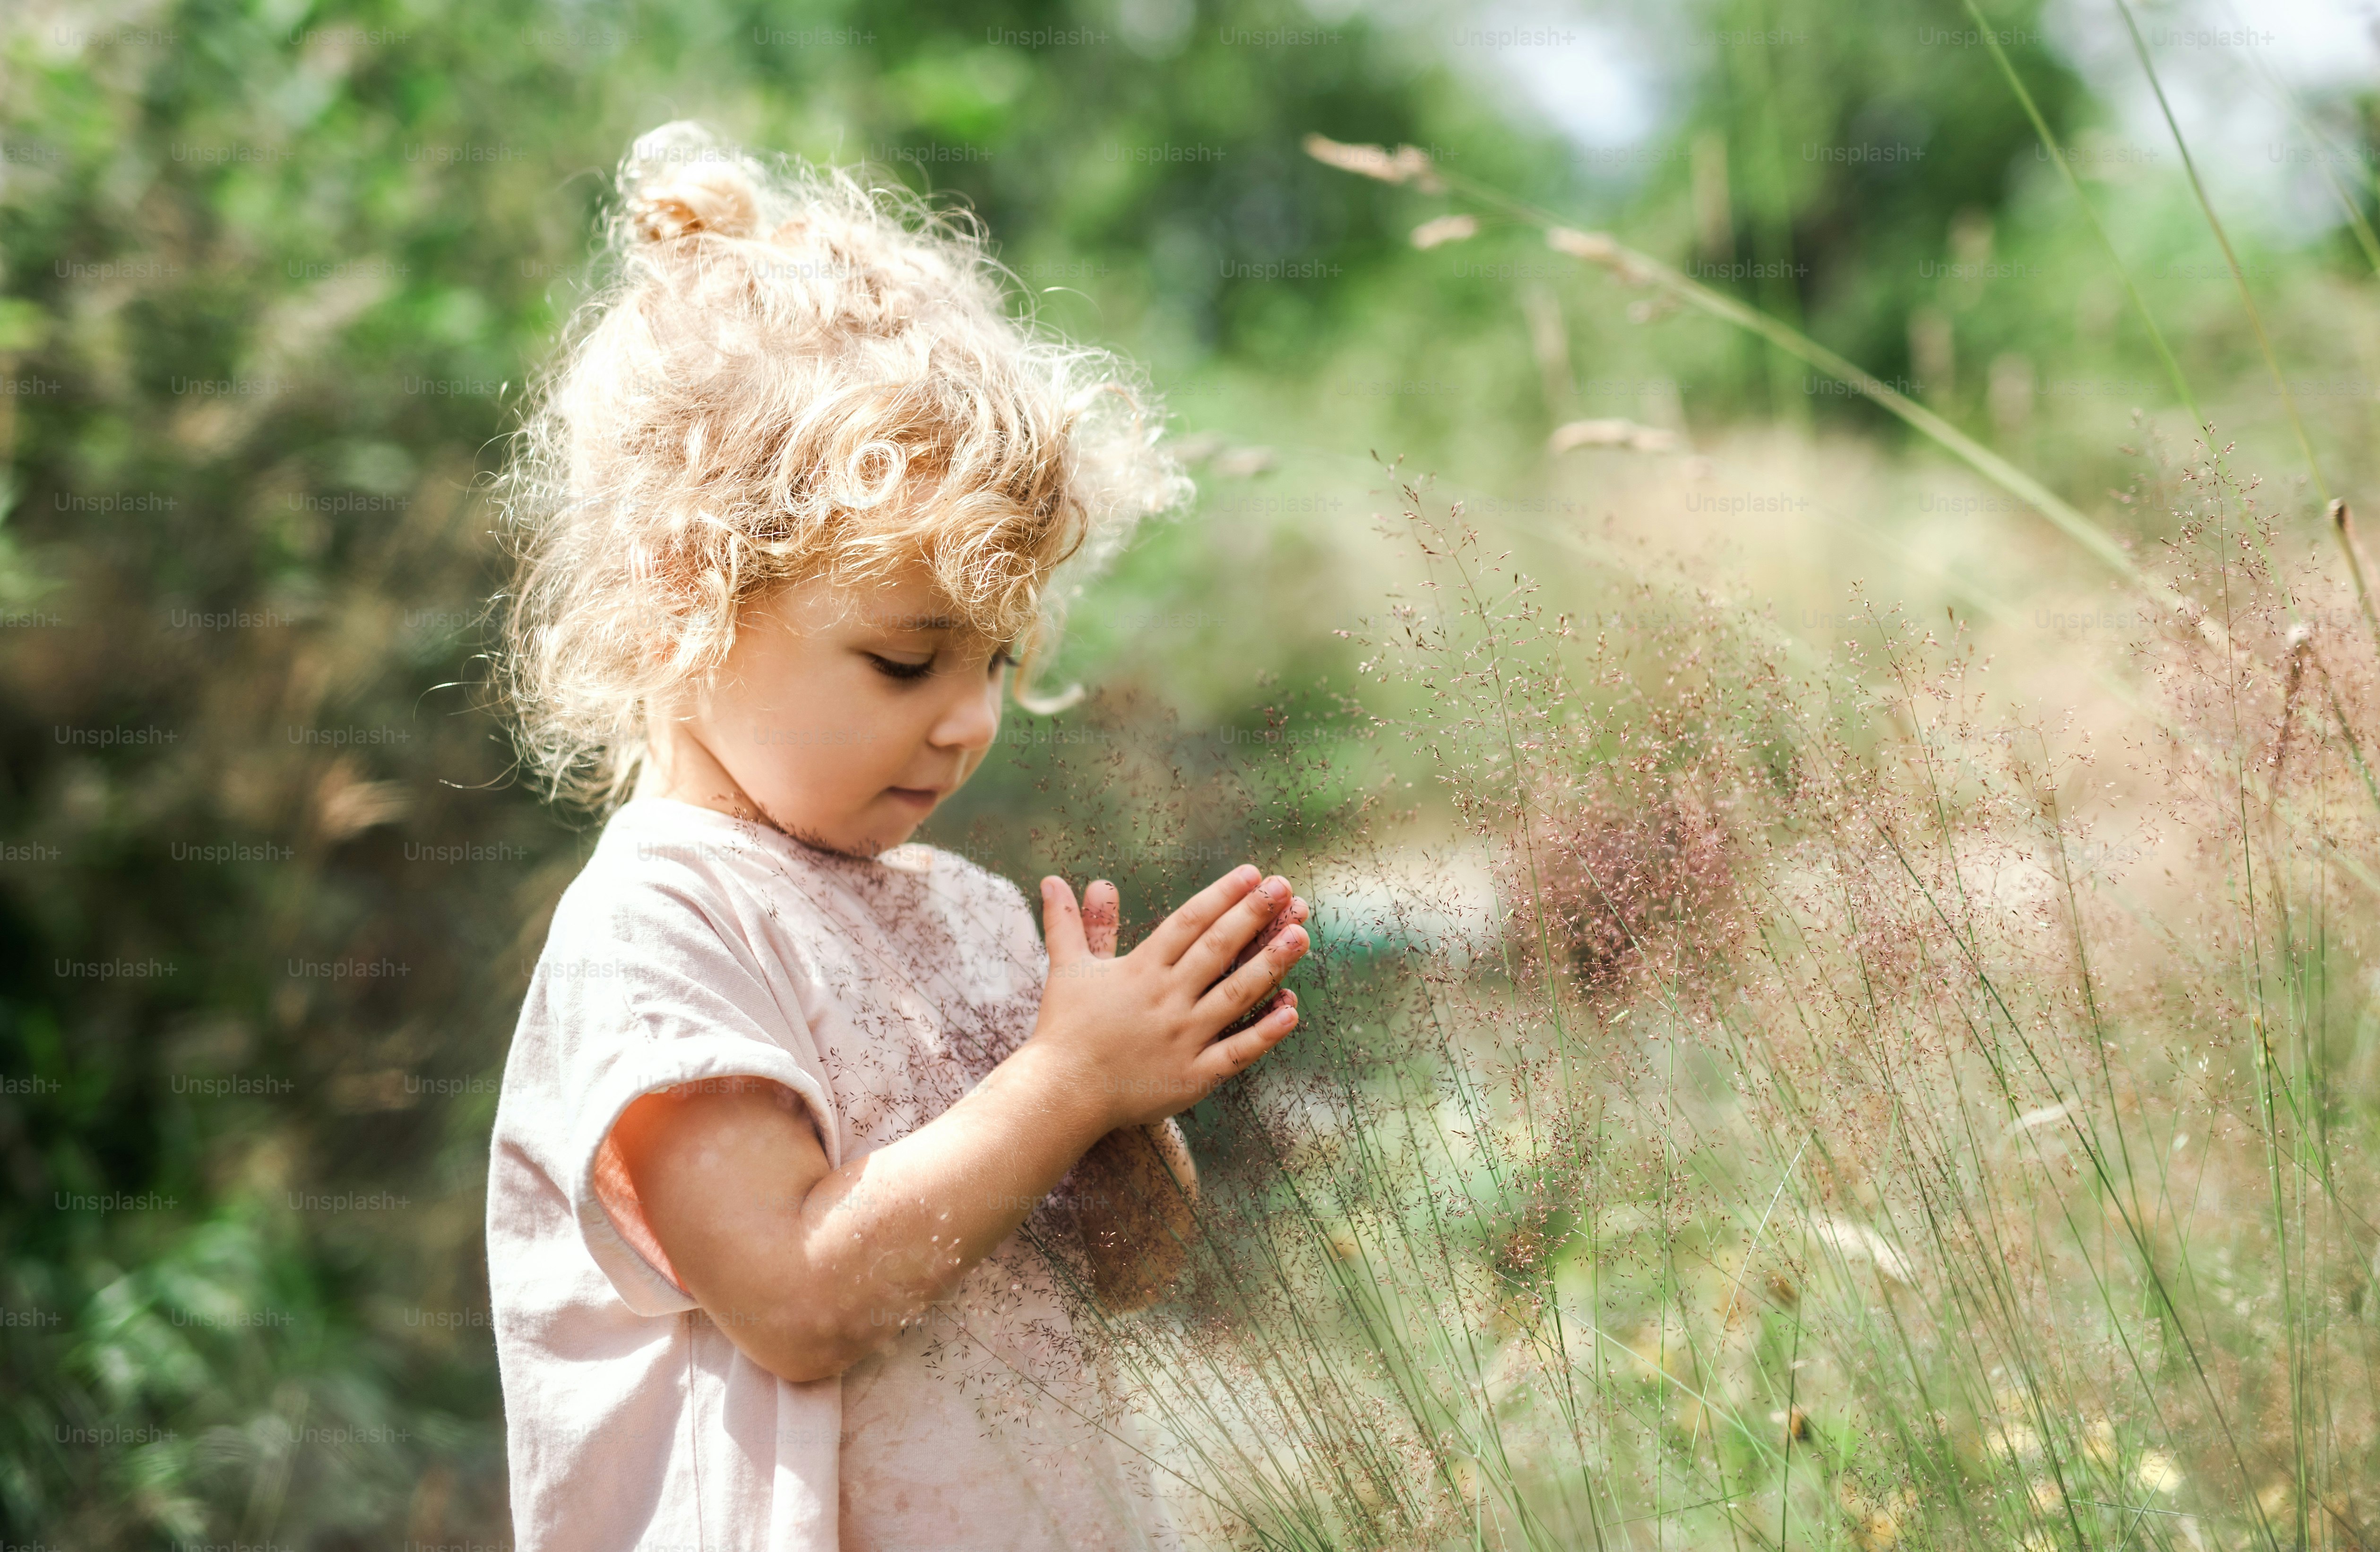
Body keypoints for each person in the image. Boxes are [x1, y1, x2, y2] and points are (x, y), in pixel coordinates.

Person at [483, 121, 1310, 1551]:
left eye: (996, 662)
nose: (968, 722)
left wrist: (1125, 1097)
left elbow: (1125, 1275)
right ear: (690, 588)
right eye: (904, 660)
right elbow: (796, 1302)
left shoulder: (967, 904)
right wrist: (1059, 1083)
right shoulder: (663, 919)